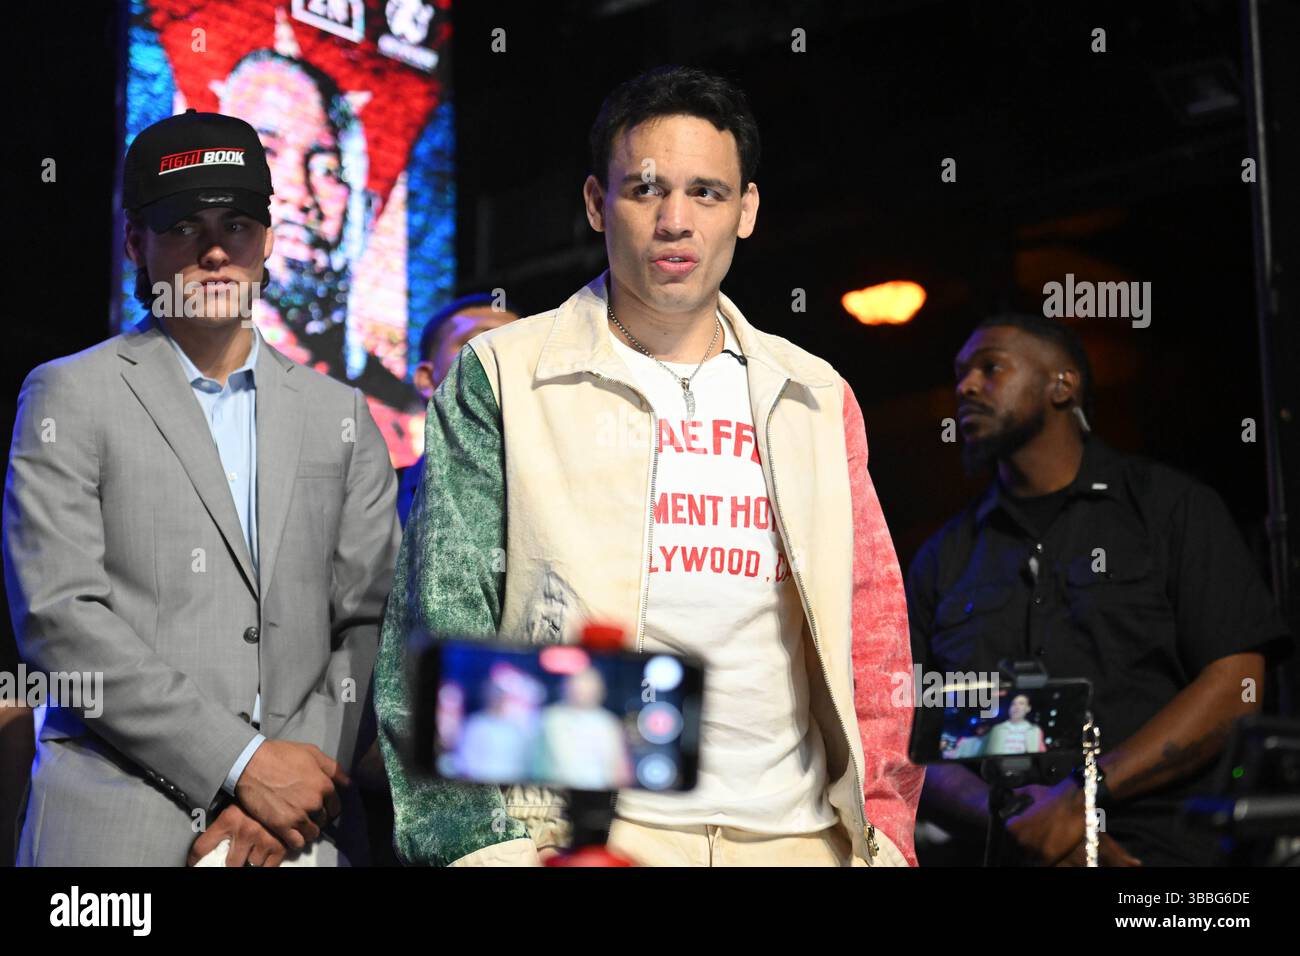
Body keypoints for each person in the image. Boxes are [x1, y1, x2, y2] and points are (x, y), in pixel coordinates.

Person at [374, 66, 921, 867]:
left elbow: (874, 635)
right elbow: (440, 624)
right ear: (598, 204)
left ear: (748, 210)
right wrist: (478, 853)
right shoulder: (505, 373)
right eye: (645, 190)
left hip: (799, 838)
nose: (676, 222)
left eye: (707, 192)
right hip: (586, 834)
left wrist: (886, 836)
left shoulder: (813, 393)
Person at [3, 109, 401, 866]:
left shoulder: (340, 414)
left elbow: (373, 621)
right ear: (135, 244)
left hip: (296, 833)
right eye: (185, 226)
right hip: (112, 827)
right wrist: (244, 762)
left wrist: (293, 780)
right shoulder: (69, 394)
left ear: (269, 241)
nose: (216, 250)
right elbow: (59, 619)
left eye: (239, 224)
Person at [907, 312, 1292, 866]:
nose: (965, 386)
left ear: (1063, 384)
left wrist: (1083, 796)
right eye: (960, 374)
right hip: (997, 853)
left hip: (1158, 861)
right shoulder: (942, 558)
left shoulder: (1170, 509)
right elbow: (906, 733)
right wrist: (1018, 813)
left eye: (990, 368)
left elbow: (1238, 687)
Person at [396, 293, 520, 525]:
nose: (503, 355)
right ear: (426, 380)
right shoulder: (379, 499)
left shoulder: (562, 492)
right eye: (479, 344)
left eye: (517, 347)